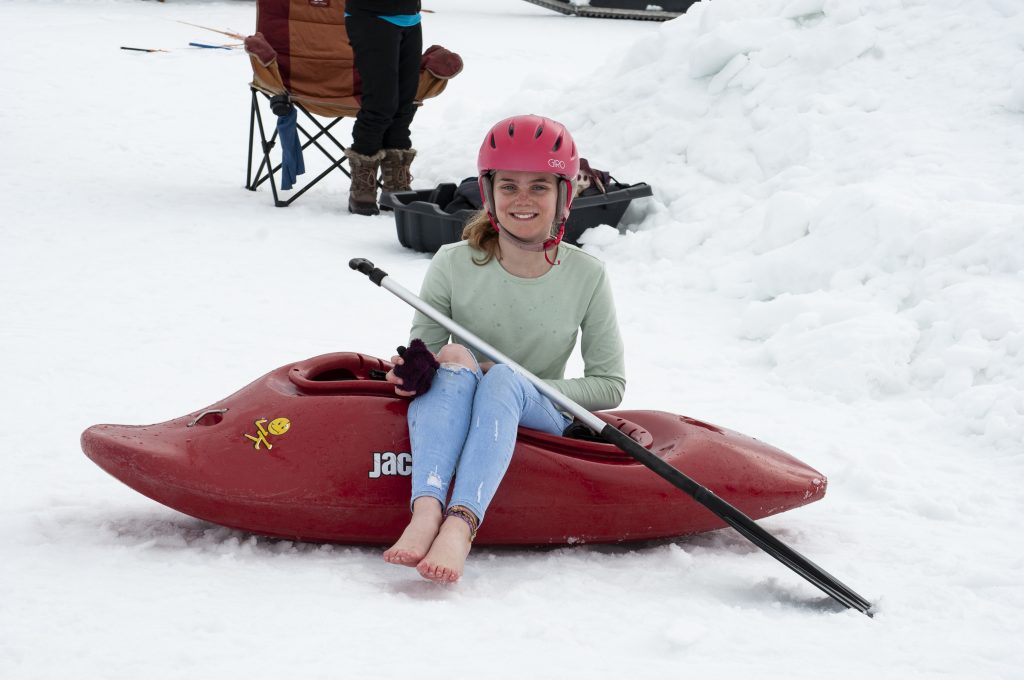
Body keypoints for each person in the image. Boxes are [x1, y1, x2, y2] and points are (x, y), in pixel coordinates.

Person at [383, 114, 626, 582]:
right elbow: (426, 355)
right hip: (464, 389)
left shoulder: (587, 275)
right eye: (509, 185)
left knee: (502, 380)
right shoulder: (453, 262)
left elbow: (610, 385)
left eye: (539, 186)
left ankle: (461, 524)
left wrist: (510, 378)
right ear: (488, 192)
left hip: (541, 409)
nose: (523, 200)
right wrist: (412, 370)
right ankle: (427, 509)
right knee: (454, 359)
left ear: (563, 197)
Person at [343, 0, 423, 216]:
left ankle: (395, 185)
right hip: (371, 16)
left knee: (405, 102)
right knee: (381, 102)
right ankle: (362, 184)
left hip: (410, 18)